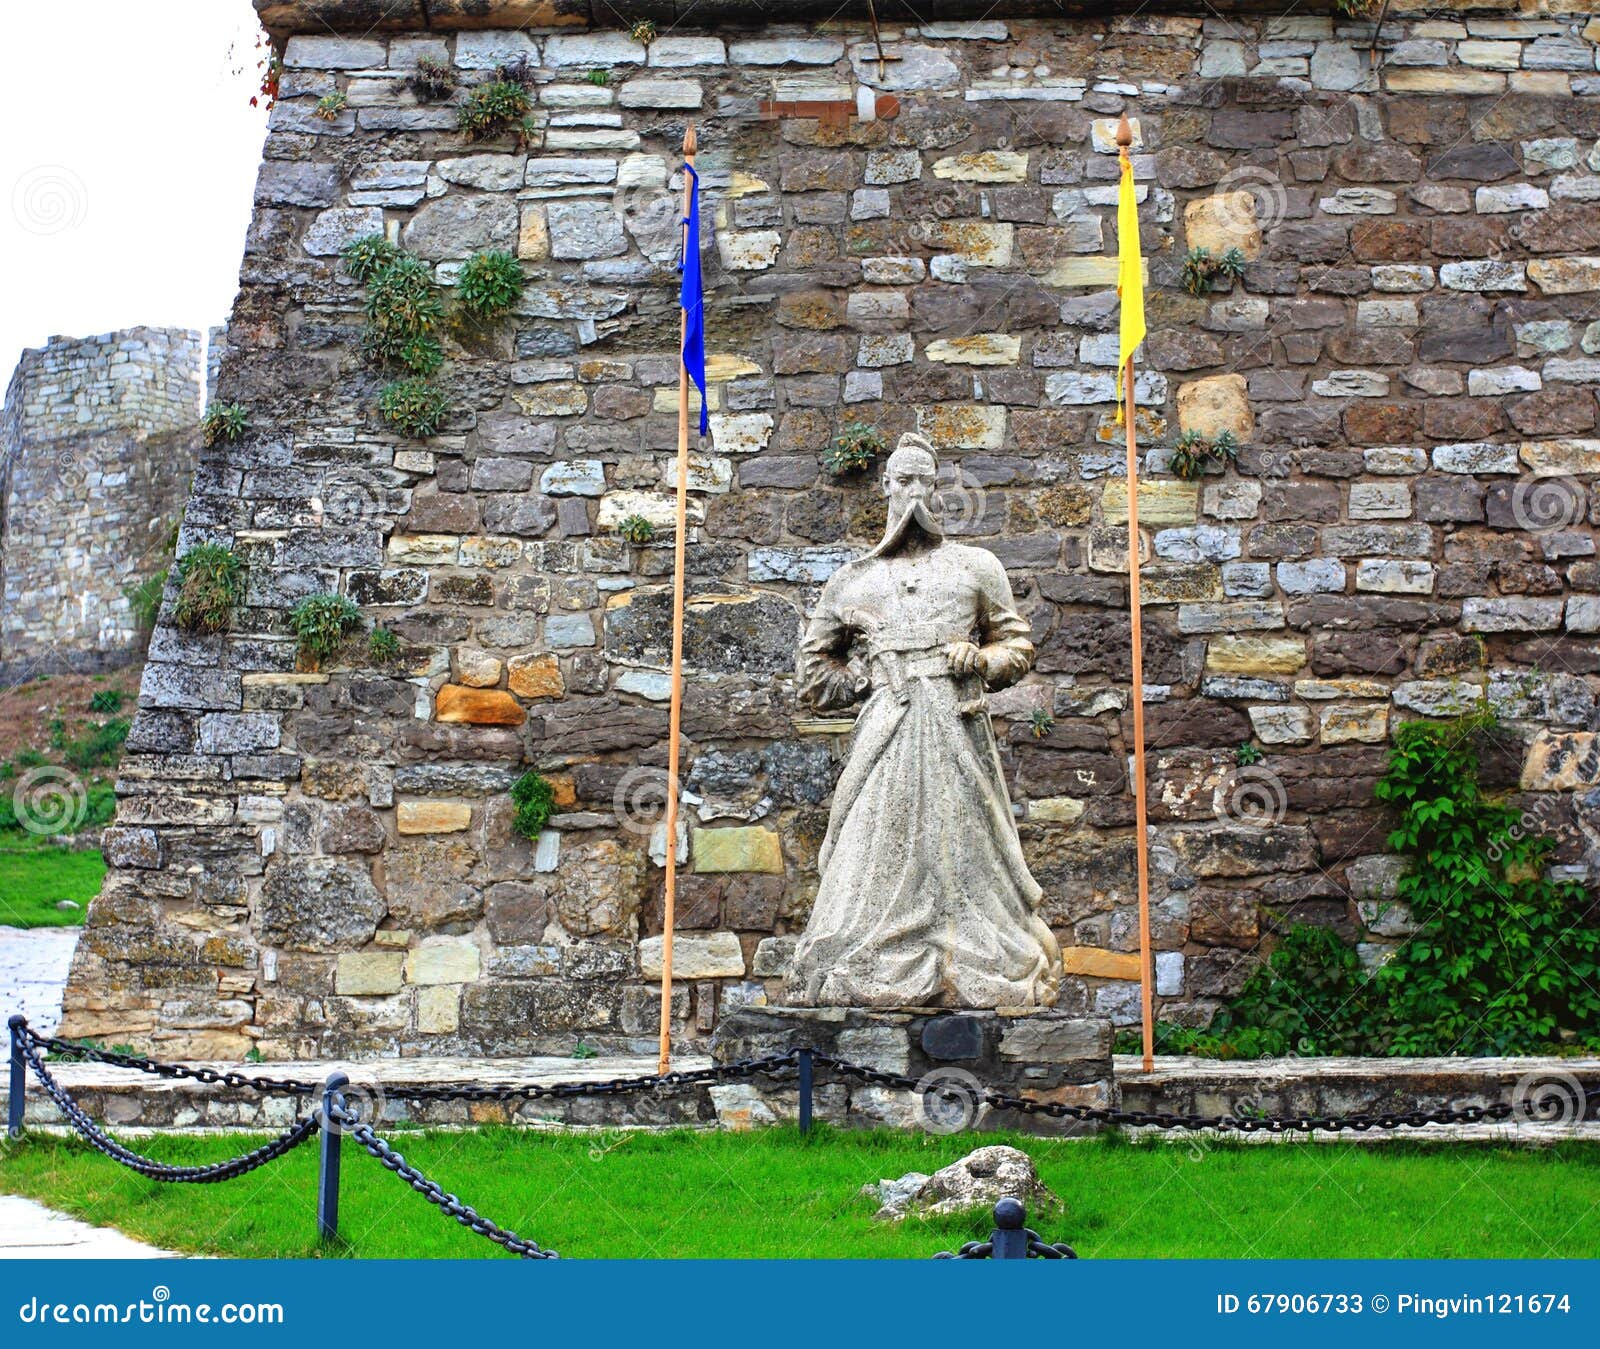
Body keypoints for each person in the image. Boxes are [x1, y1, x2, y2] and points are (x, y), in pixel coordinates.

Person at [785, 432, 1062, 1008]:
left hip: (957, 728)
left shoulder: (975, 567)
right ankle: (863, 954)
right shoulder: (852, 579)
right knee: (869, 843)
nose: (914, 491)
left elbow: (1017, 646)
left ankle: (972, 957)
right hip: (888, 729)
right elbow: (812, 674)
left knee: (965, 844)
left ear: (936, 489)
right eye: (903, 479)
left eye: (924, 481)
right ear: (886, 485)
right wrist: (869, 677)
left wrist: (981, 659)